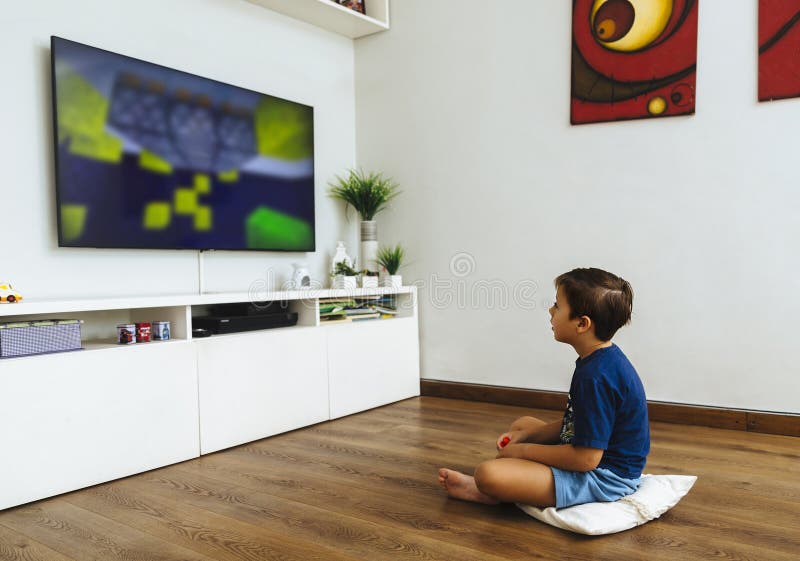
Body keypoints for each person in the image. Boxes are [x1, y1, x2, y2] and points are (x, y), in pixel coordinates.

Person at [438, 268, 650, 509]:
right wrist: (527, 436)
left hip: (605, 478)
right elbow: (578, 424)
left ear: (582, 323)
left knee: (488, 474)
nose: (551, 311)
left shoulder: (595, 377)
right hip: (596, 456)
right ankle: (520, 478)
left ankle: (487, 492)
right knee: (523, 424)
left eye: (557, 306)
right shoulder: (601, 359)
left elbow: (586, 459)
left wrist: (523, 451)